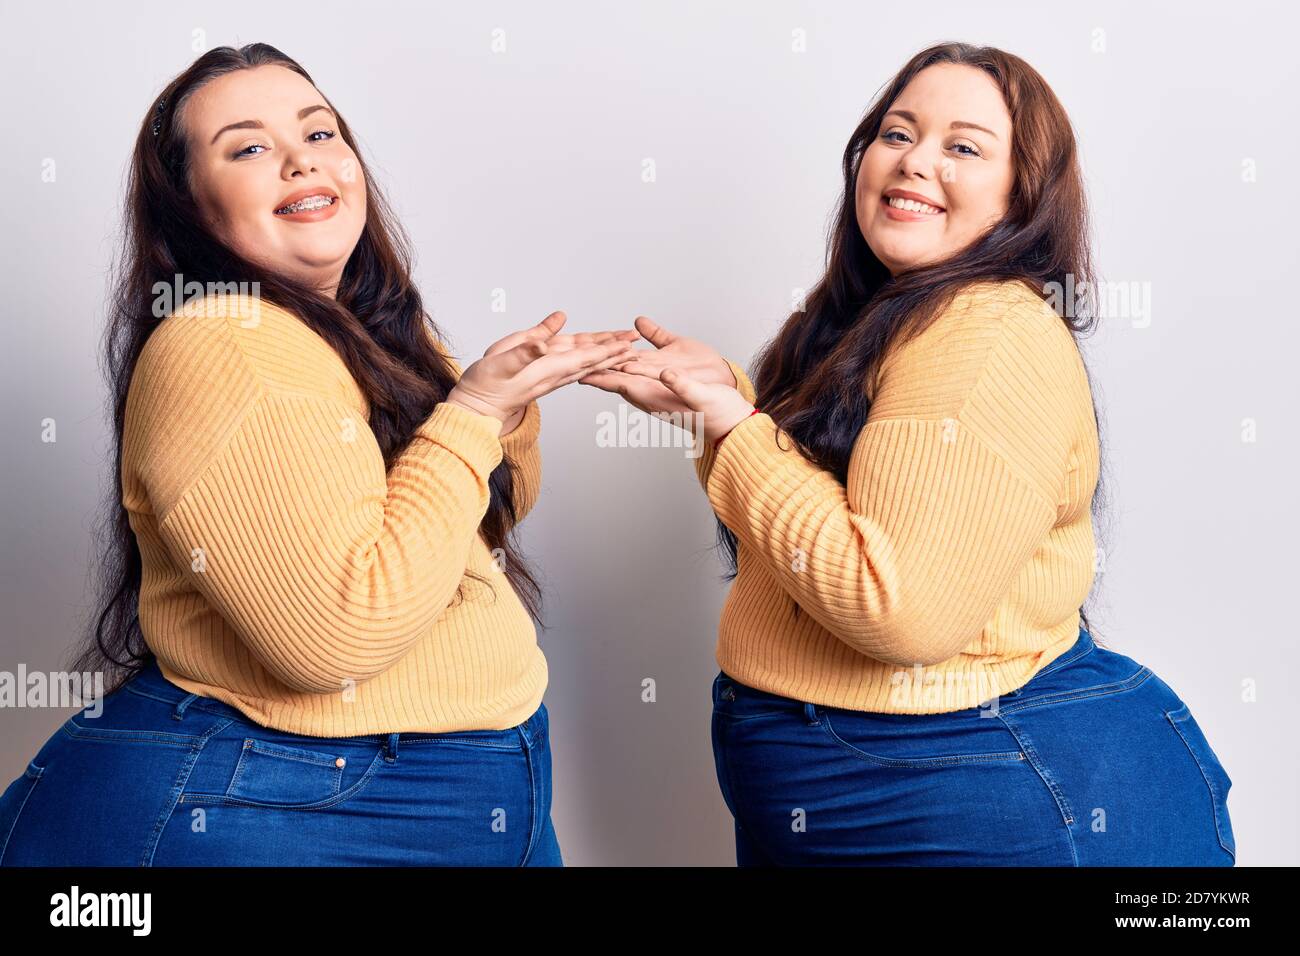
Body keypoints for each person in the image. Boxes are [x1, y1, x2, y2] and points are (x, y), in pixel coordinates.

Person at [583, 41, 1237, 866]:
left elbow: (902, 610)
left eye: (963, 147)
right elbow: (822, 526)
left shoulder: (988, 336)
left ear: (1021, 195)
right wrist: (722, 412)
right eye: (897, 134)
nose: (915, 161)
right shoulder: (877, 318)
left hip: (984, 793)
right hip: (890, 789)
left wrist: (735, 424)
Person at [0, 43, 639, 866]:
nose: (302, 159)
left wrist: (502, 409)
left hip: (462, 786)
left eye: (321, 132)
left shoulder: (366, 333)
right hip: (298, 801)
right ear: (189, 205)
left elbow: (457, 538)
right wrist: (471, 412)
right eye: (250, 147)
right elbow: (334, 641)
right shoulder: (221, 341)